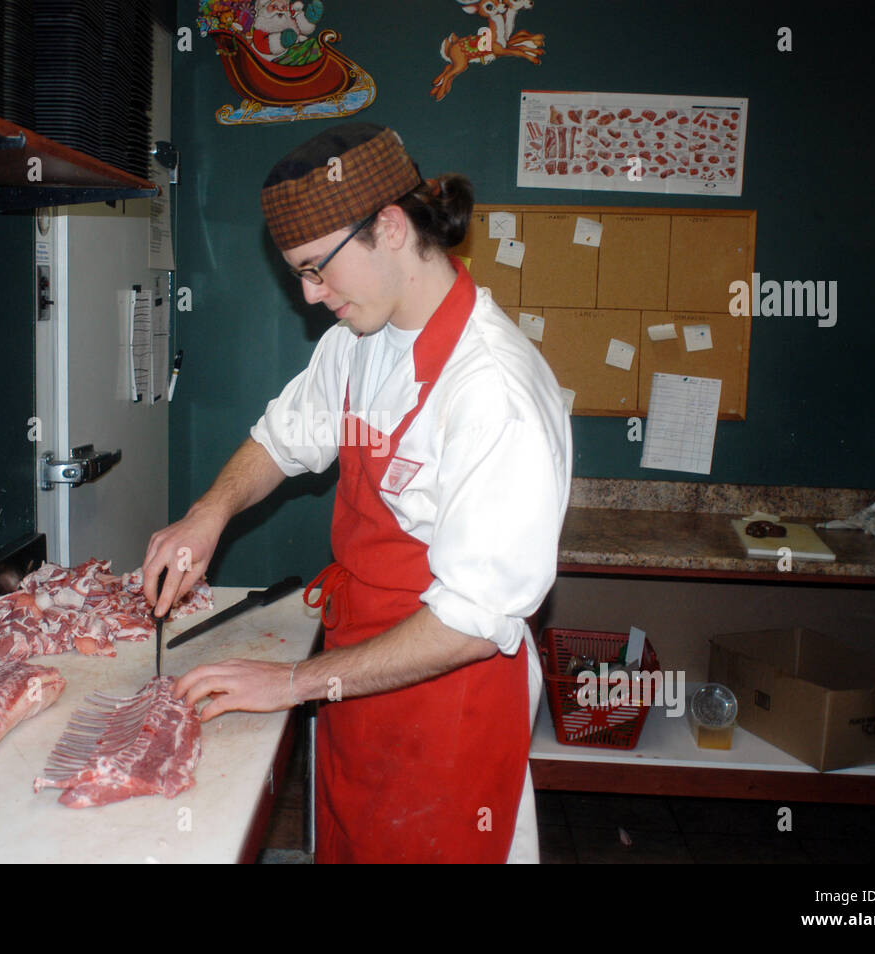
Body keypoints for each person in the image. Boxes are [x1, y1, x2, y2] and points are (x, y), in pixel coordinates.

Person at [144, 123, 571, 863]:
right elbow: (281, 442)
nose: (311, 298)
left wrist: (292, 682)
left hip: (446, 718)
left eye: (317, 269)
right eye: (298, 275)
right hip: (356, 689)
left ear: (392, 228)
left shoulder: (493, 392)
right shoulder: (358, 341)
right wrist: (206, 515)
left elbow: (471, 624)